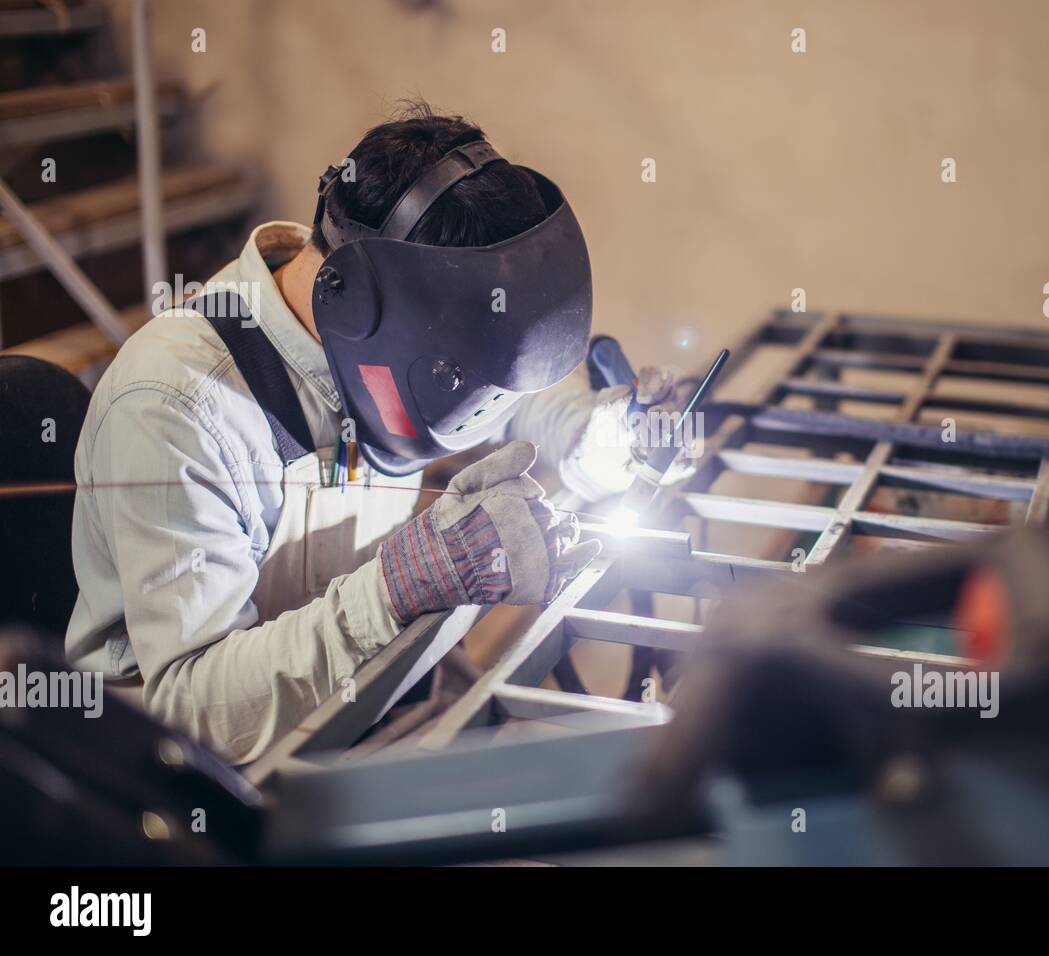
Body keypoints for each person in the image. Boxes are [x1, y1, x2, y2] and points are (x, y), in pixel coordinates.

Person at [65, 103, 679, 764]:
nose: (475, 399)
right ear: (365, 305)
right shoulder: (181, 405)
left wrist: (595, 436)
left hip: (369, 704)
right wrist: (393, 591)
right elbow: (194, 710)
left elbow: (514, 402)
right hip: (221, 787)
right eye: (459, 371)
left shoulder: (390, 338)